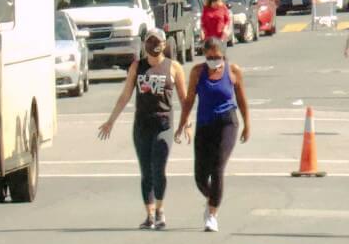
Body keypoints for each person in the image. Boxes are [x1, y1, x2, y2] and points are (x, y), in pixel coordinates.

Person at [98, 28, 188, 230]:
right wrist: (110, 121)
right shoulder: (137, 67)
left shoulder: (173, 67)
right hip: (142, 125)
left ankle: (160, 210)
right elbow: (125, 95)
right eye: (150, 41)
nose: (154, 45)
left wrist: (186, 124)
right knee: (146, 171)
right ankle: (149, 215)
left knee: (159, 168)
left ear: (164, 44)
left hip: (163, 124)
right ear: (145, 44)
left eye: (157, 41)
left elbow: (184, 99)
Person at [176, 37, 251, 232]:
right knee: (200, 176)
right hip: (205, 124)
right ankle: (212, 197)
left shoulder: (233, 71)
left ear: (223, 55)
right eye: (209, 57)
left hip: (227, 122)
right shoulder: (198, 72)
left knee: (218, 168)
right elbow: (189, 100)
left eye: (217, 57)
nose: (213, 60)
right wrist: (182, 124)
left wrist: (247, 124)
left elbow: (242, 99)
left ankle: (212, 214)